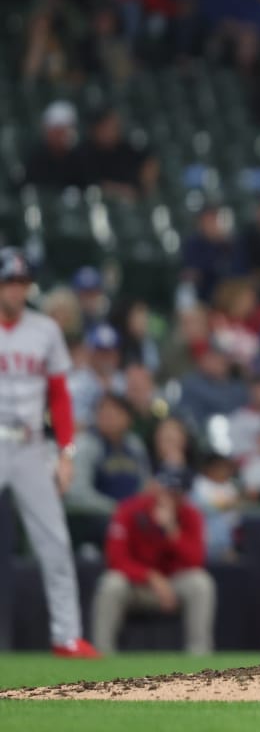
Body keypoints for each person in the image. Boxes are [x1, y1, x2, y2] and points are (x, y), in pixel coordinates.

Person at [0, 248, 99, 657]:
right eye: (9, 282)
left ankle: (66, 636)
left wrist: (66, 453)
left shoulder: (45, 330)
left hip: (29, 445)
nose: (17, 290)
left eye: (22, 283)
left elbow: (59, 398)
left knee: (55, 542)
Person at [91, 467, 216, 655]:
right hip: (136, 586)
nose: (169, 497)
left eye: (176, 493)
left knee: (201, 583)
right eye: (166, 491)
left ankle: (199, 655)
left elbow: (196, 560)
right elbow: (116, 559)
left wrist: (172, 531)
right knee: (111, 583)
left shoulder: (191, 515)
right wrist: (151, 577)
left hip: (173, 585)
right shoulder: (129, 509)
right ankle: (102, 652)